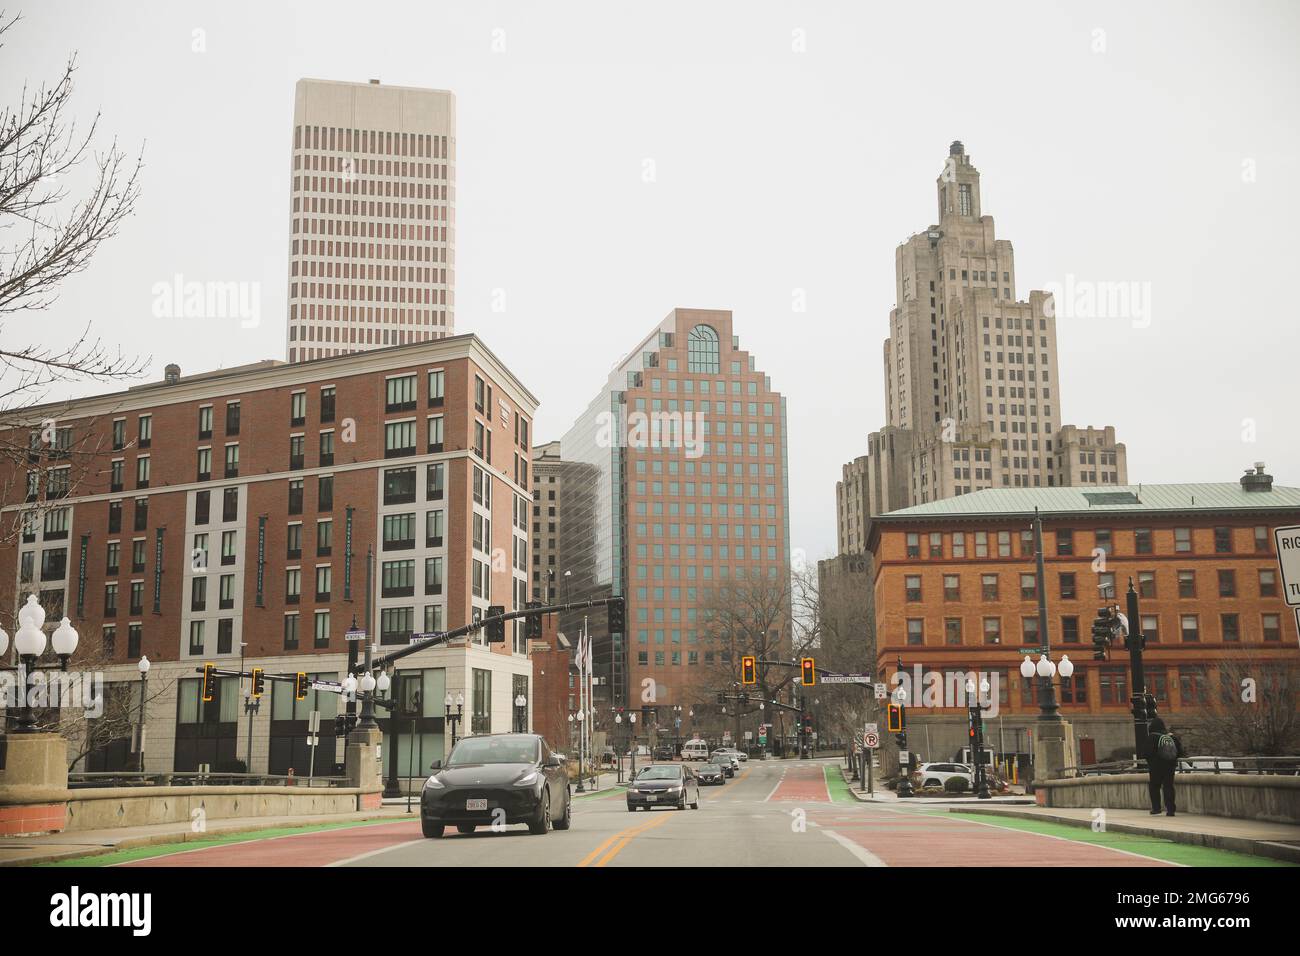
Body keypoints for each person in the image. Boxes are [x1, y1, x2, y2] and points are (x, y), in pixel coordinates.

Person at [1145, 716, 1185, 816]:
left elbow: (1146, 753)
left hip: (1155, 767)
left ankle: (1156, 808)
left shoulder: (1152, 737)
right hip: (1170, 766)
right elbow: (1180, 753)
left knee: (1154, 786)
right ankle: (1171, 810)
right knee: (1168, 786)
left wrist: (1151, 761)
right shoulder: (1172, 737)